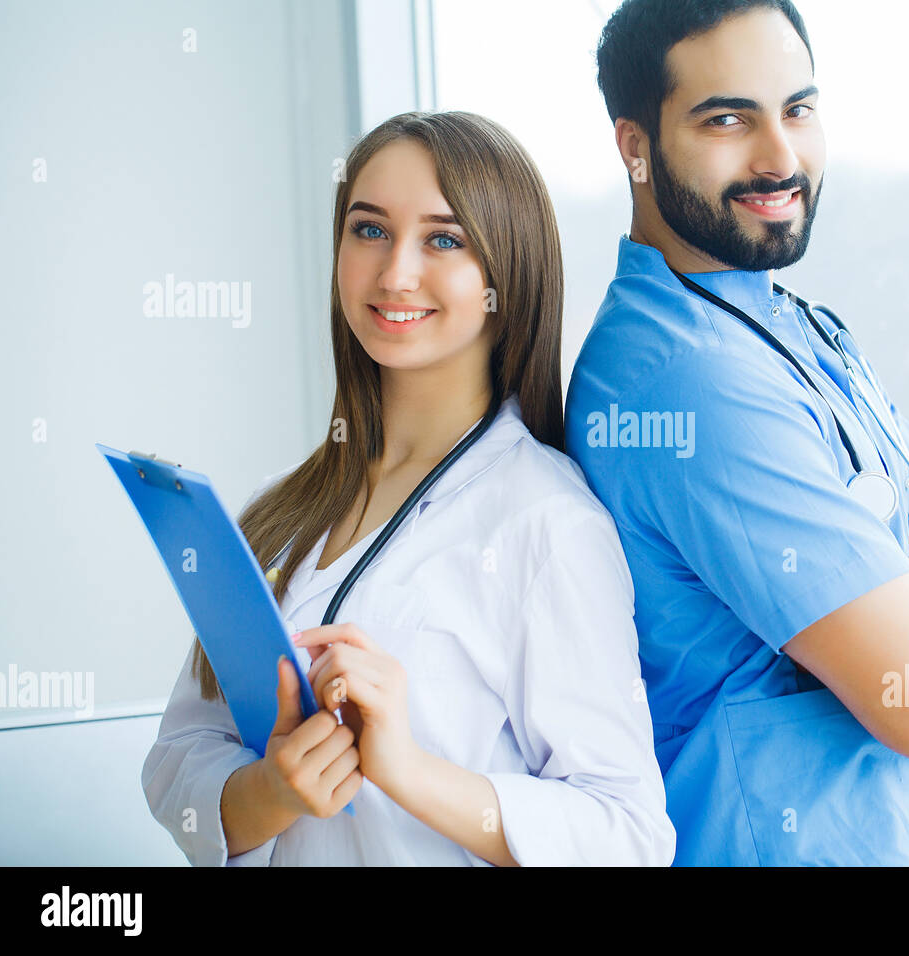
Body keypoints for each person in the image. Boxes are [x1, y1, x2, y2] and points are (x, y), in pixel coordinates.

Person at [565, 0, 909, 865]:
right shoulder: (688, 382)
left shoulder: (795, 328)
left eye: (798, 109)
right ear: (634, 145)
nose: (780, 157)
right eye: (728, 119)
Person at [142, 110, 677, 866]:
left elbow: (627, 837)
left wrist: (410, 771)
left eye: (443, 239)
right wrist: (275, 789)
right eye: (369, 230)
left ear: (507, 271)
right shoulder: (276, 512)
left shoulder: (548, 522)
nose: (395, 273)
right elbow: (177, 757)